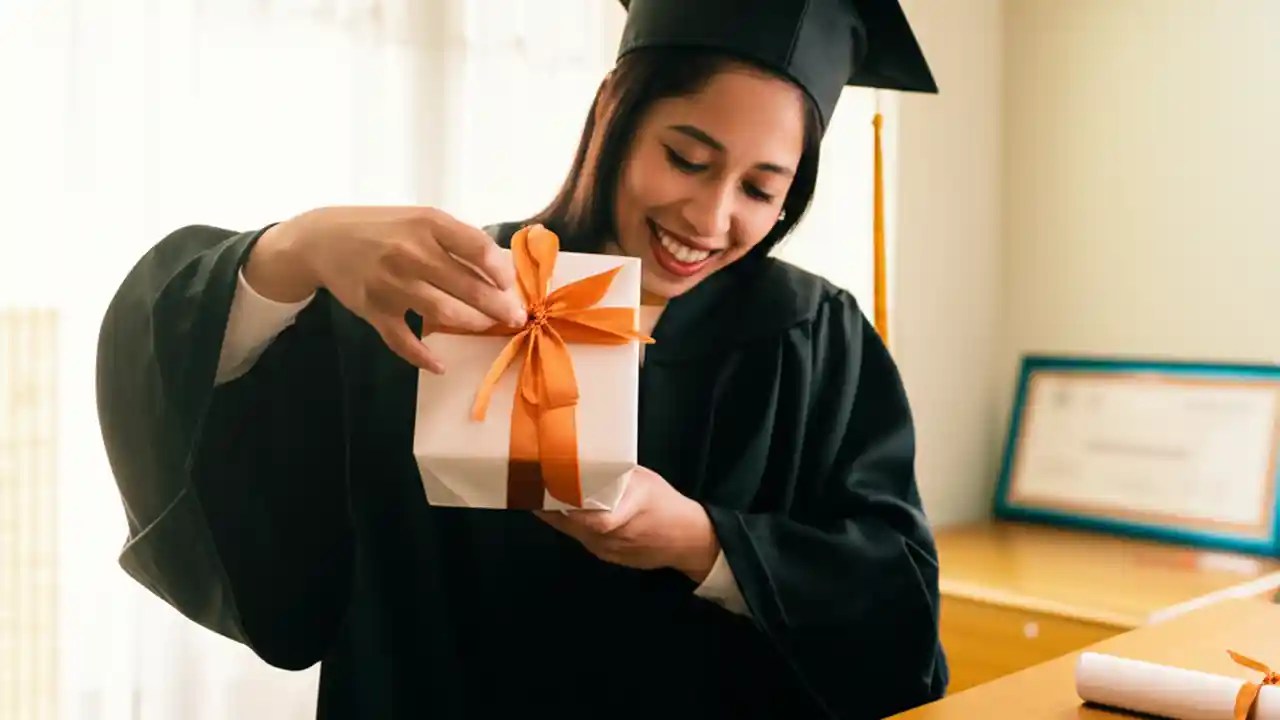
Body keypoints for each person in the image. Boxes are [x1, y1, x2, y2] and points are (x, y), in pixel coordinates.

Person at [96, 0, 948, 717]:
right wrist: (293, 252)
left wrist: (699, 542)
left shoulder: (811, 335)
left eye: (762, 189)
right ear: (615, 113)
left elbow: (896, 603)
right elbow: (209, 418)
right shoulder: (451, 289)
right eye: (687, 158)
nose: (711, 216)